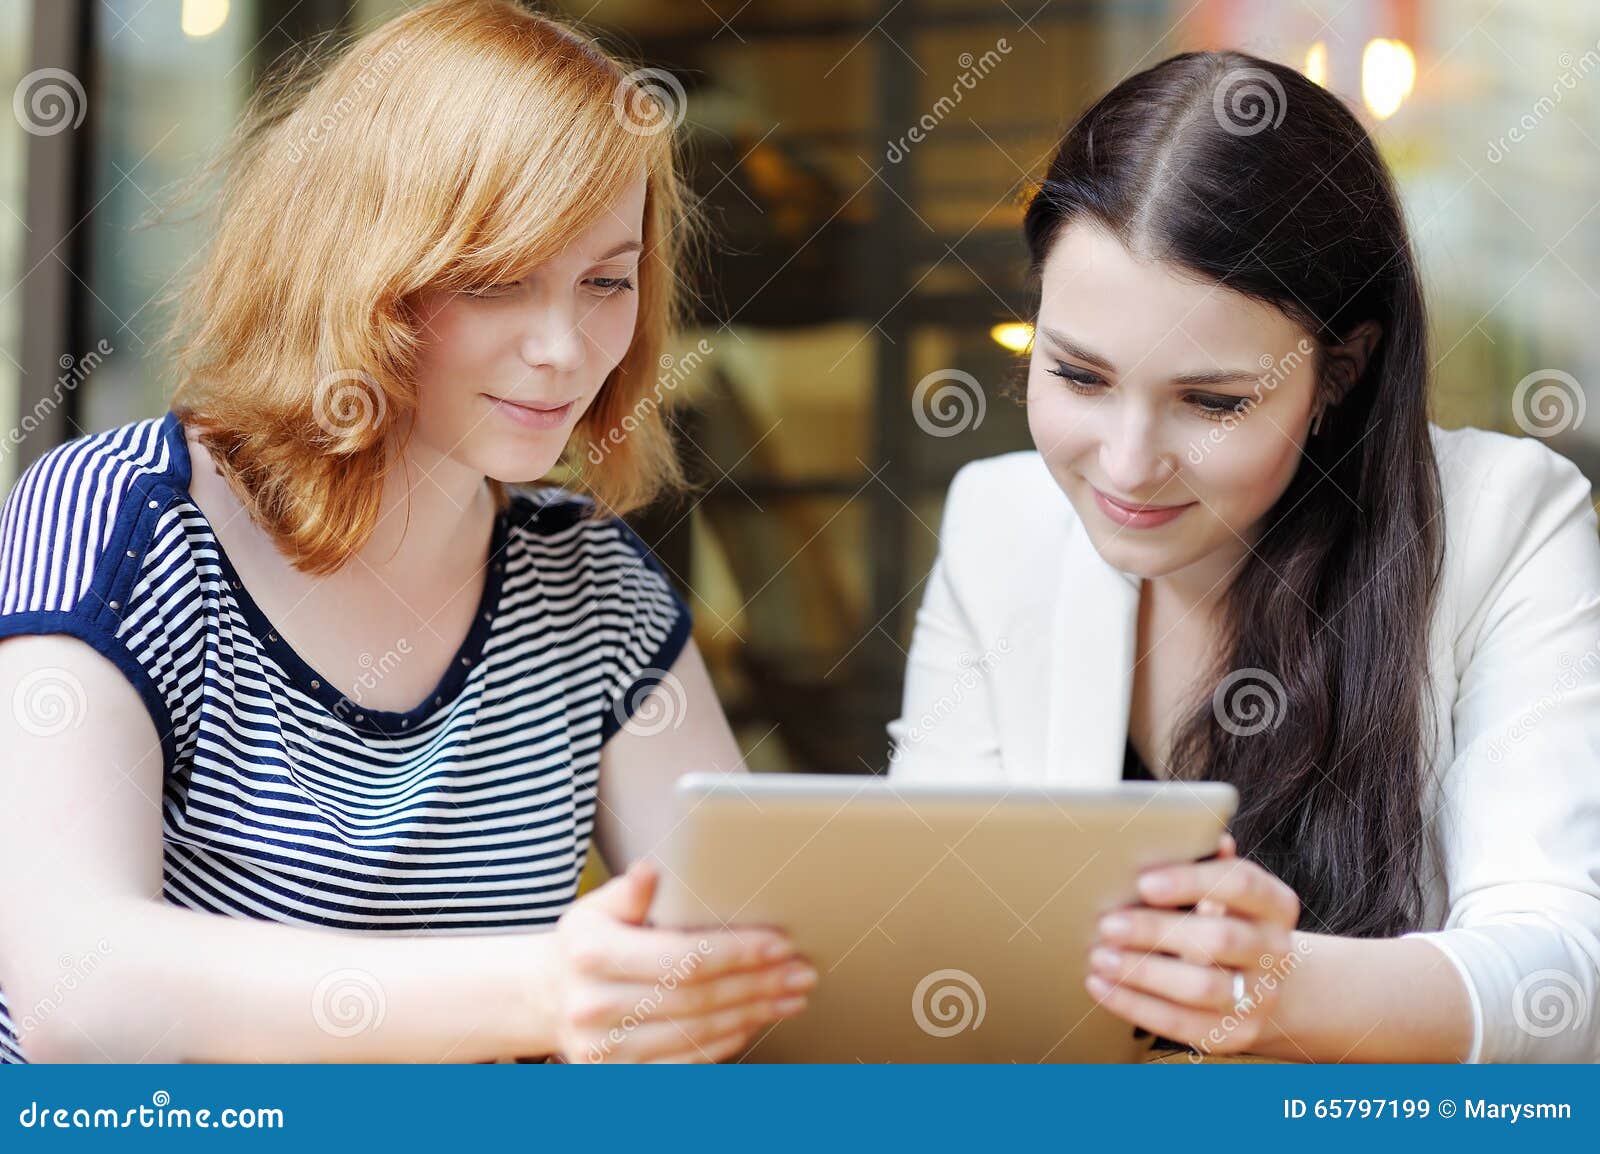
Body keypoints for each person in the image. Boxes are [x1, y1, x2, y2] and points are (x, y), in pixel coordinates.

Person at [0, 0, 815, 1064]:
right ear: (358, 273)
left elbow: (748, 961)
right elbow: (78, 989)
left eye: (606, 281)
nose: (567, 349)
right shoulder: (115, 516)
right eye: (496, 279)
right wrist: (538, 991)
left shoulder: (591, 586)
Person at [889, 51, 1600, 1063]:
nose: (1128, 464)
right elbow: (930, 925)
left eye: (1213, 400)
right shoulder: (999, 521)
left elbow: (1566, 979)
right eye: (1077, 376)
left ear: (1338, 375)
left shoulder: (1505, 523)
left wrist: (1281, 986)